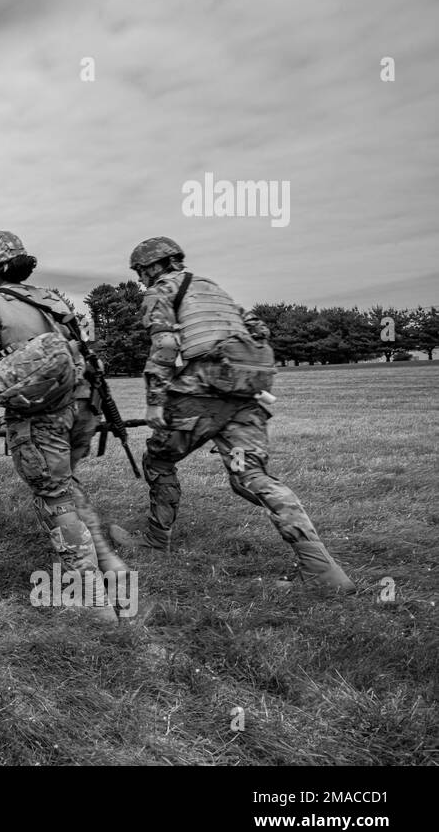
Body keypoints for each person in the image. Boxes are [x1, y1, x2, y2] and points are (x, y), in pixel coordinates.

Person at [117, 237, 353, 590]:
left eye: (140, 271)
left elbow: (165, 344)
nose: (140, 279)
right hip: (243, 395)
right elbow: (258, 330)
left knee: (158, 460)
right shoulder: (212, 288)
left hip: (200, 397)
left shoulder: (161, 290)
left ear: (153, 266)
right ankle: (322, 570)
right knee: (249, 475)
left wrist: (155, 400)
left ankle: (156, 538)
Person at [0, 230, 128, 621]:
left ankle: (93, 602)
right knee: (67, 484)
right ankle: (111, 564)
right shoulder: (54, 301)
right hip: (86, 406)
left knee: (54, 499)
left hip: (43, 416)